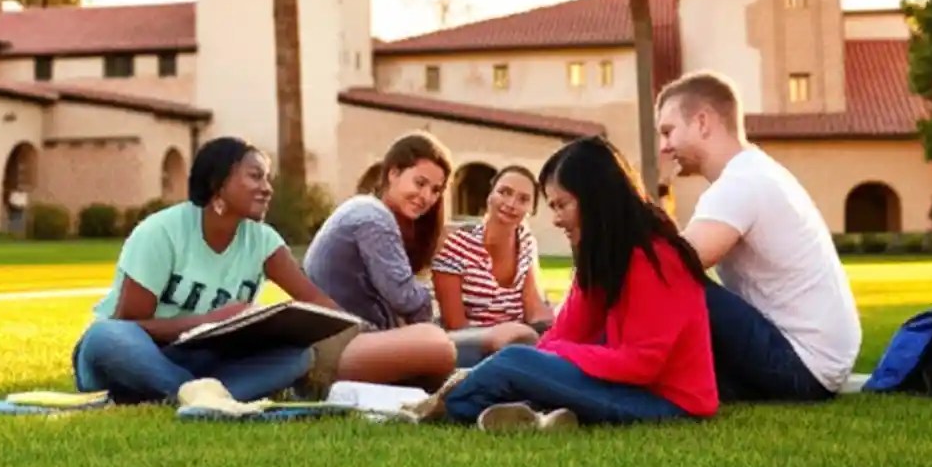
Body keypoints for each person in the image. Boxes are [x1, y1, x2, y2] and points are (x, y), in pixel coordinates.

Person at [441, 136, 717, 430]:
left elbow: (640, 364)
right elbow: (566, 332)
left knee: (510, 363)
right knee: (520, 363)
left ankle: (448, 404)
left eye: (562, 205)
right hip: (627, 387)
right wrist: (544, 359)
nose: (557, 220)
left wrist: (547, 357)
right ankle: (528, 414)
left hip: (668, 402)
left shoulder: (655, 257)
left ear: (594, 198)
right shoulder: (603, 256)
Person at [70, 136, 339, 404]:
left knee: (297, 357)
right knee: (106, 336)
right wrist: (211, 321)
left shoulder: (264, 241)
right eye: (255, 177)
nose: (267, 188)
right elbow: (129, 325)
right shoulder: (161, 232)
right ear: (217, 184)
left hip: (207, 359)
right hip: (141, 354)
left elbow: (317, 302)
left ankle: (184, 395)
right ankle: (199, 394)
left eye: (267, 179)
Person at [656, 70, 862, 402]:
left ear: (702, 122)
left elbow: (671, 265)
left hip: (802, 367)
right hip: (818, 363)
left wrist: (659, 190)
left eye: (668, 132)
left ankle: (582, 362)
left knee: (673, 281)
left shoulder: (741, 183)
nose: (664, 147)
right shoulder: (755, 171)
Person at [302, 132, 459, 388]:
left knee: (451, 344)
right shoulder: (373, 218)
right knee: (439, 344)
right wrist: (429, 307)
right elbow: (405, 298)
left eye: (435, 190)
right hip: (334, 347)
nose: (426, 197)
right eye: (420, 183)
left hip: (353, 341)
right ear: (393, 173)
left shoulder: (369, 211)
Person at [431, 165, 554, 367]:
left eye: (523, 199)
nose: (511, 204)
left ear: (531, 210)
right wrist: (503, 336)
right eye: (504, 192)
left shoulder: (526, 242)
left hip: (518, 343)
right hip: (470, 347)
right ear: (490, 195)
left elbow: (534, 310)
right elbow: (455, 326)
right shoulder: (456, 246)